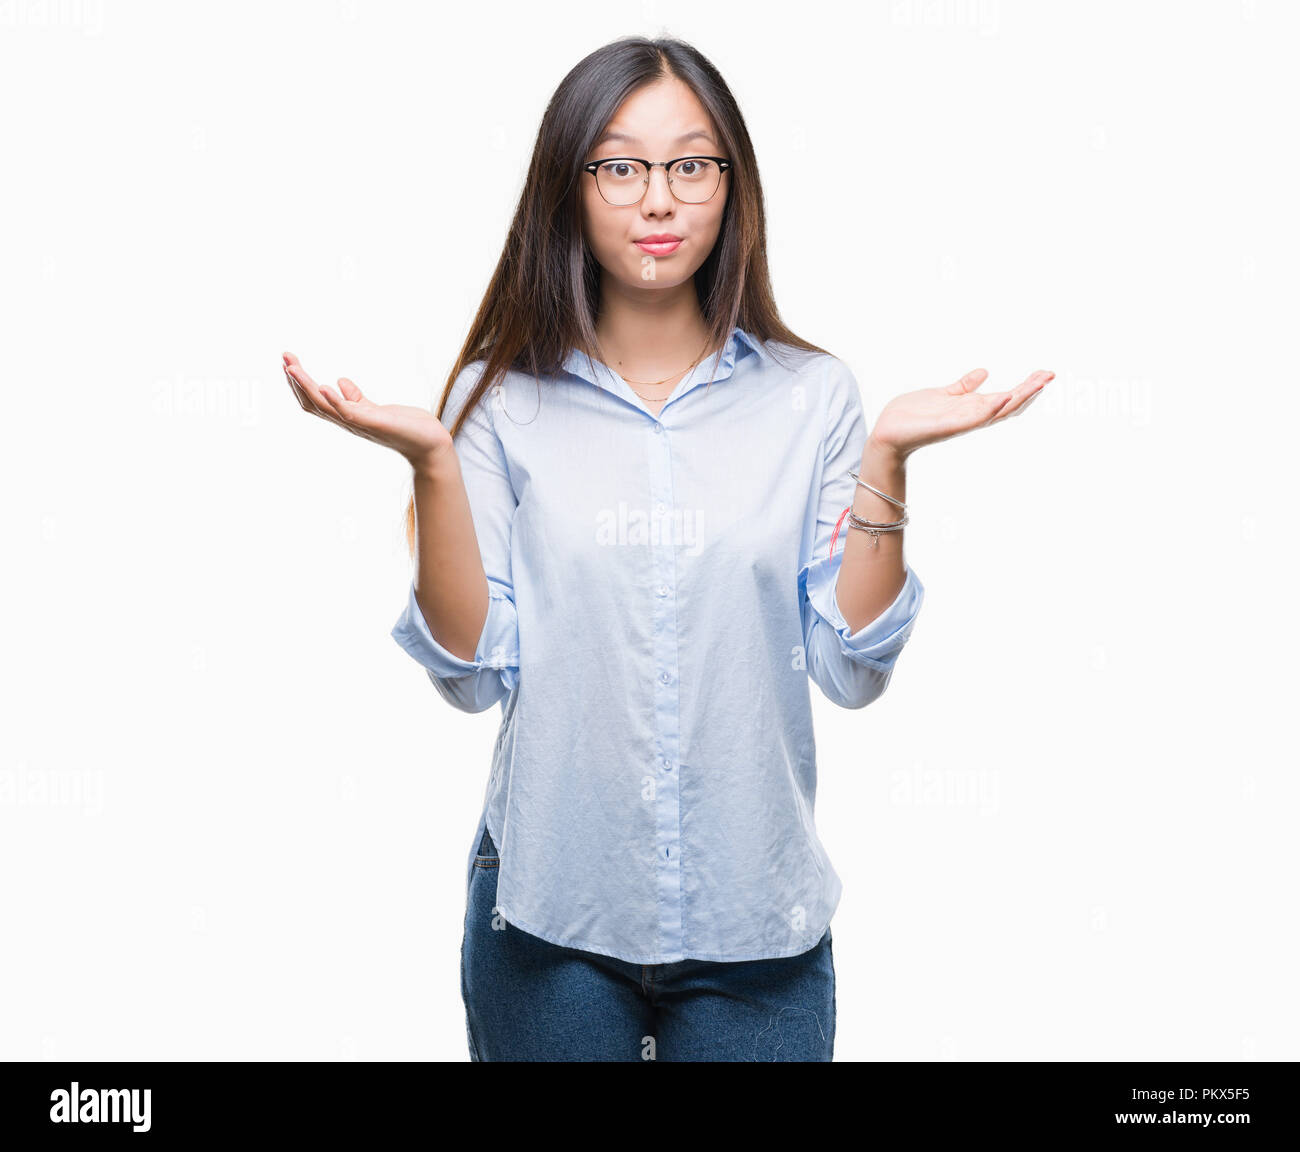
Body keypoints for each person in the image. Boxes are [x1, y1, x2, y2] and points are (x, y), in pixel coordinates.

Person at [283, 36, 1052, 1062]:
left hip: (756, 921)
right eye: (620, 165)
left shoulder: (810, 397)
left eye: (690, 164)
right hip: (547, 911)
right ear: (570, 187)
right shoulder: (499, 402)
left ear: (731, 187)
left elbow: (848, 668)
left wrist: (889, 457)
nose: (658, 199)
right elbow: (471, 677)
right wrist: (430, 461)